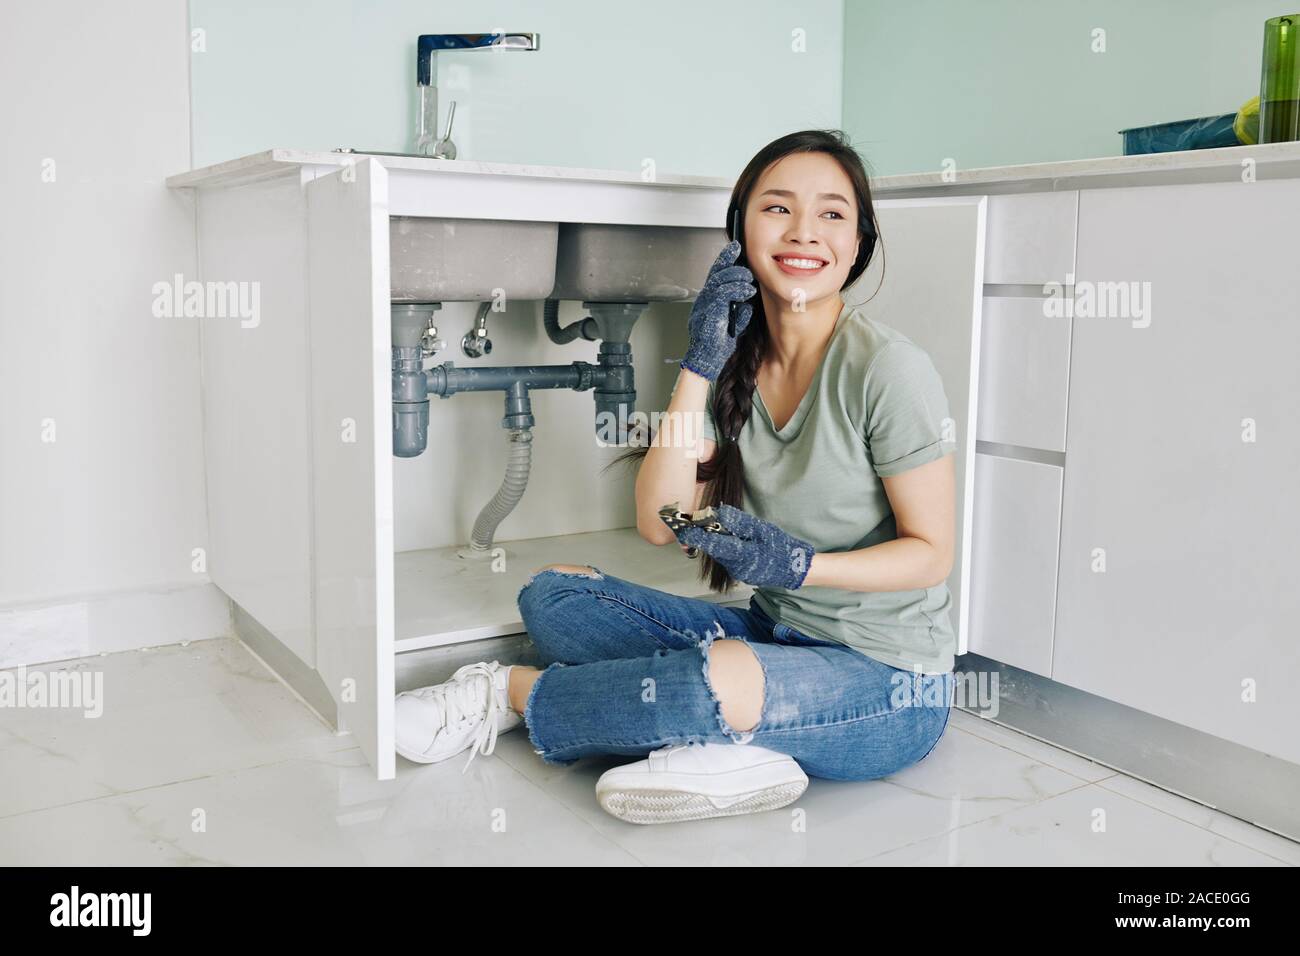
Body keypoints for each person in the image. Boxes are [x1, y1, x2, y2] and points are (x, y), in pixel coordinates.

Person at [393, 129, 958, 825]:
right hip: (773, 633)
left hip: (892, 682)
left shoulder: (888, 370)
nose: (804, 231)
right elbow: (660, 522)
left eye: (833, 214)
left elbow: (932, 555)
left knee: (715, 679)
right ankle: (736, 736)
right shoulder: (738, 363)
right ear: (740, 232)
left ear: (860, 241)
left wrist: (803, 567)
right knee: (557, 598)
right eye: (777, 208)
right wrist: (699, 362)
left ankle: (509, 694)